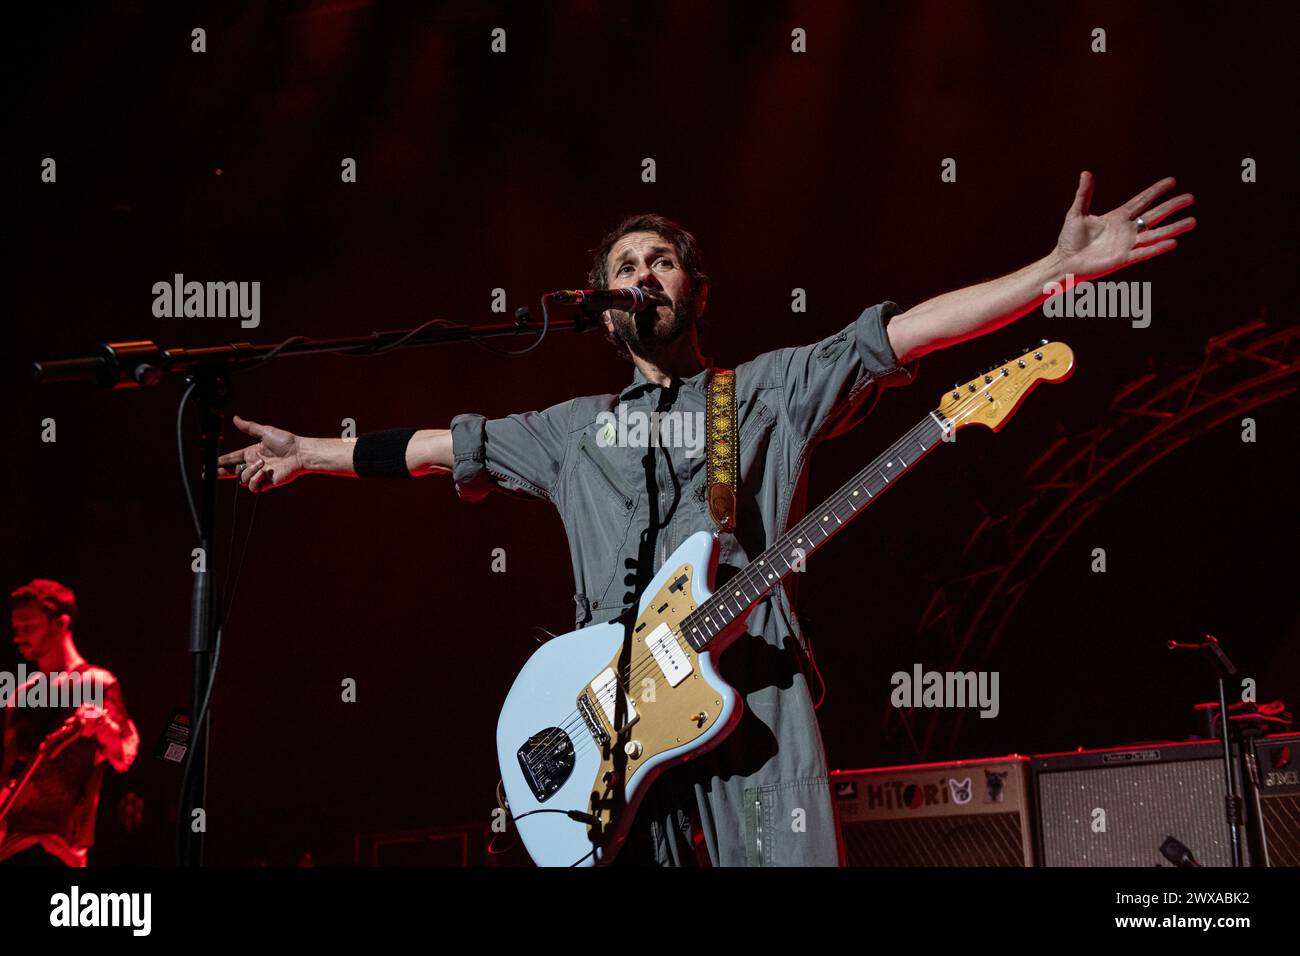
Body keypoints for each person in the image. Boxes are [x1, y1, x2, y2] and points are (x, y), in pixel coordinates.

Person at [216, 174, 1194, 864]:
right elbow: (435, 447)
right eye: (625, 263)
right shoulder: (569, 431)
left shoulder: (767, 392)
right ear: (603, 309)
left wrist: (1049, 272)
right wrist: (310, 453)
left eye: (662, 259)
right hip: (610, 731)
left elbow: (916, 329)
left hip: (753, 712)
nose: (643, 271)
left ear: (692, 288)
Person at [2, 579, 140, 866]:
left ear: (60, 623)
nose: (19, 637)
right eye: (16, 629)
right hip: (10, 838)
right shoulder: (22, 692)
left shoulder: (96, 683)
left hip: (59, 846)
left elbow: (124, 755)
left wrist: (103, 727)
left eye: (29, 627)